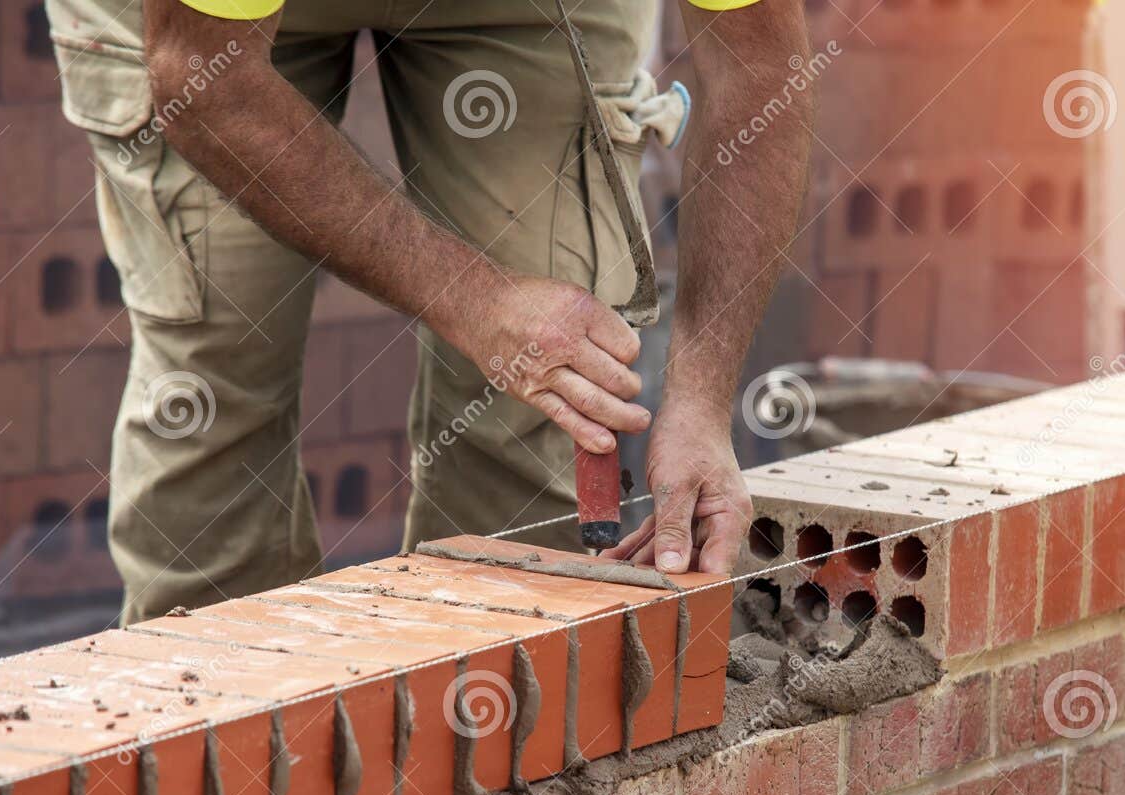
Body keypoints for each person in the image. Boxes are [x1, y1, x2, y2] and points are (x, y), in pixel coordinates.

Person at [46, 0, 813, 622]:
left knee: (542, 396)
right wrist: (475, 302)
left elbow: (759, 64)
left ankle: (482, 770)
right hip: (207, 38)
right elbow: (204, 79)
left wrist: (704, 402)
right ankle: (231, 773)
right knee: (214, 390)